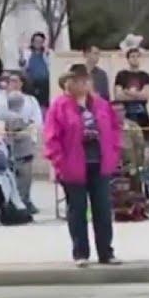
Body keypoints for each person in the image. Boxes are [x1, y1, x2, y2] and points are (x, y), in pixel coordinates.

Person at [43, 64, 123, 266]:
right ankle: (80, 253)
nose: (81, 84)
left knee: (103, 209)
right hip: (73, 166)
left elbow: (114, 130)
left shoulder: (101, 105)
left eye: (85, 80)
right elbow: (52, 139)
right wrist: (60, 163)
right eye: (76, 80)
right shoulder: (59, 106)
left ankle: (106, 252)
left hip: (100, 163)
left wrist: (113, 153)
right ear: (68, 84)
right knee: (77, 210)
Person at [0, 72, 43, 215]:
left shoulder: (31, 100)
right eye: (11, 81)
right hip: (6, 140)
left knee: (25, 174)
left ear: (22, 83)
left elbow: (37, 120)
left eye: (16, 81)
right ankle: (9, 203)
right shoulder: (1, 98)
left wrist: (29, 131)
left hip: (25, 140)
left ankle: (25, 200)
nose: (13, 84)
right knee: (8, 173)